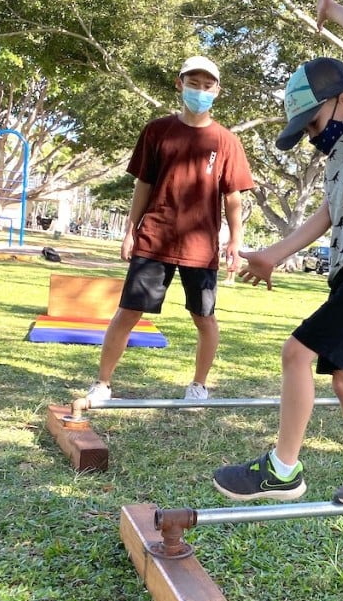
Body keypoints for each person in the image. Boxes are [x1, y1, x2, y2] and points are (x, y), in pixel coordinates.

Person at [213, 0, 343, 506]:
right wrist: (272, 254)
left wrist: (331, 12)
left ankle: (283, 470)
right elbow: (325, 218)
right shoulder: (336, 163)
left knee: (297, 353)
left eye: (313, 123)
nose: (310, 137)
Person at [84, 55, 254, 403]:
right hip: (154, 238)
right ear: (180, 84)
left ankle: (199, 386)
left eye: (207, 86)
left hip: (200, 246)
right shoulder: (157, 130)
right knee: (128, 312)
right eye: (193, 84)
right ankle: (102, 384)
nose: (200, 91)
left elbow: (232, 196)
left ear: (217, 91)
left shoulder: (226, 141)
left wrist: (235, 241)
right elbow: (143, 184)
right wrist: (130, 230)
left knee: (204, 318)